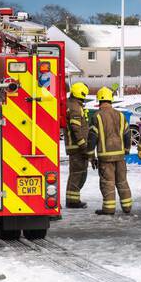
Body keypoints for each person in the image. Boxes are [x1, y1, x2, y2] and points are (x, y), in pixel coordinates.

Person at [91, 87, 132, 215]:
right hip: (120, 156)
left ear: (99, 100)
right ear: (111, 100)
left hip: (105, 157)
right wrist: (126, 149)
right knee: (122, 181)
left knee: (107, 183)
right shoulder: (120, 115)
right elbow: (127, 134)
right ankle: (127, 207)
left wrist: (91, 155)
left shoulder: (96, 116)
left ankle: (108, 208)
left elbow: (92, 137)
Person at [63, 81, 92, 209]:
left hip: (75, 147)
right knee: (78, 173)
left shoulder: (73, 105)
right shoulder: (75, 108)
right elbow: (76, 129)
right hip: (77, 148)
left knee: (78, 173)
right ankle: (72, 201)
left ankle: (73, 199)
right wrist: (84, 147)